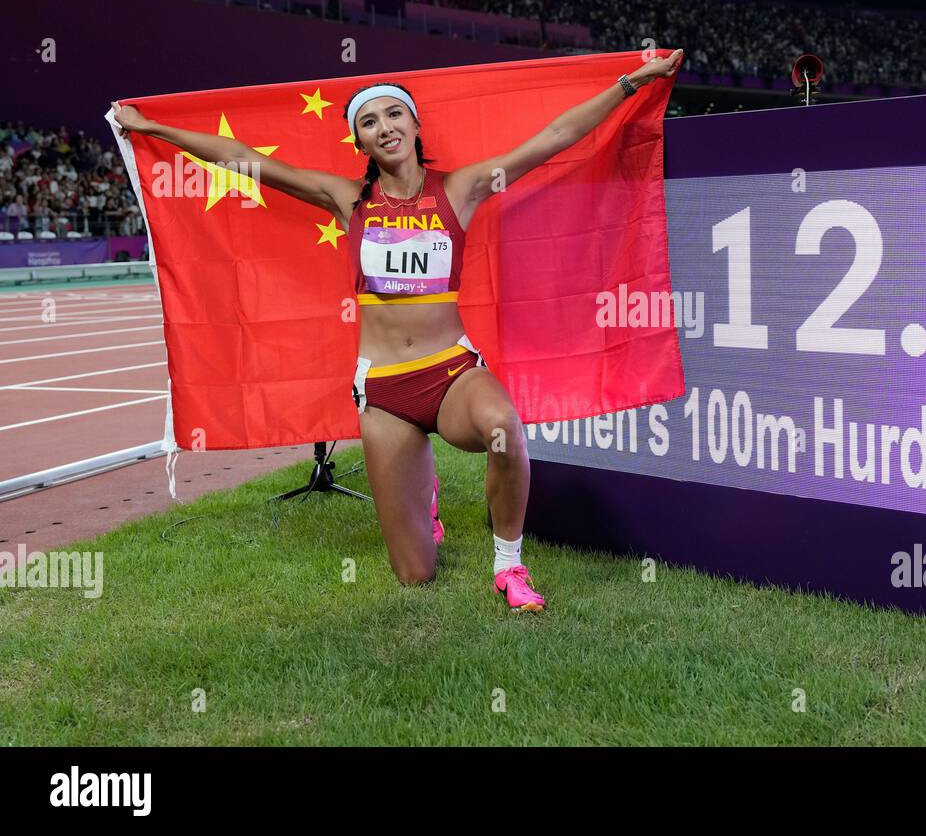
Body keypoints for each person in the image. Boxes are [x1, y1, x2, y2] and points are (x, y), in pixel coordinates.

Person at [110, 48, 683, 611]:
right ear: (358, 140)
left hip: (452, 371)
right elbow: (242, 160)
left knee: (504, 427)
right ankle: (422, 497)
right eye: (368, 121)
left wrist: (632, 83)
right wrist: (152, 128)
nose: (383, 127)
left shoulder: (460, 189)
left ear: (414, 123)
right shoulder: (347, 200)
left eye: (393, 114)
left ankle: (508, 563)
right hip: (384, 391)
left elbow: (554, 138)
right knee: (415, 576)